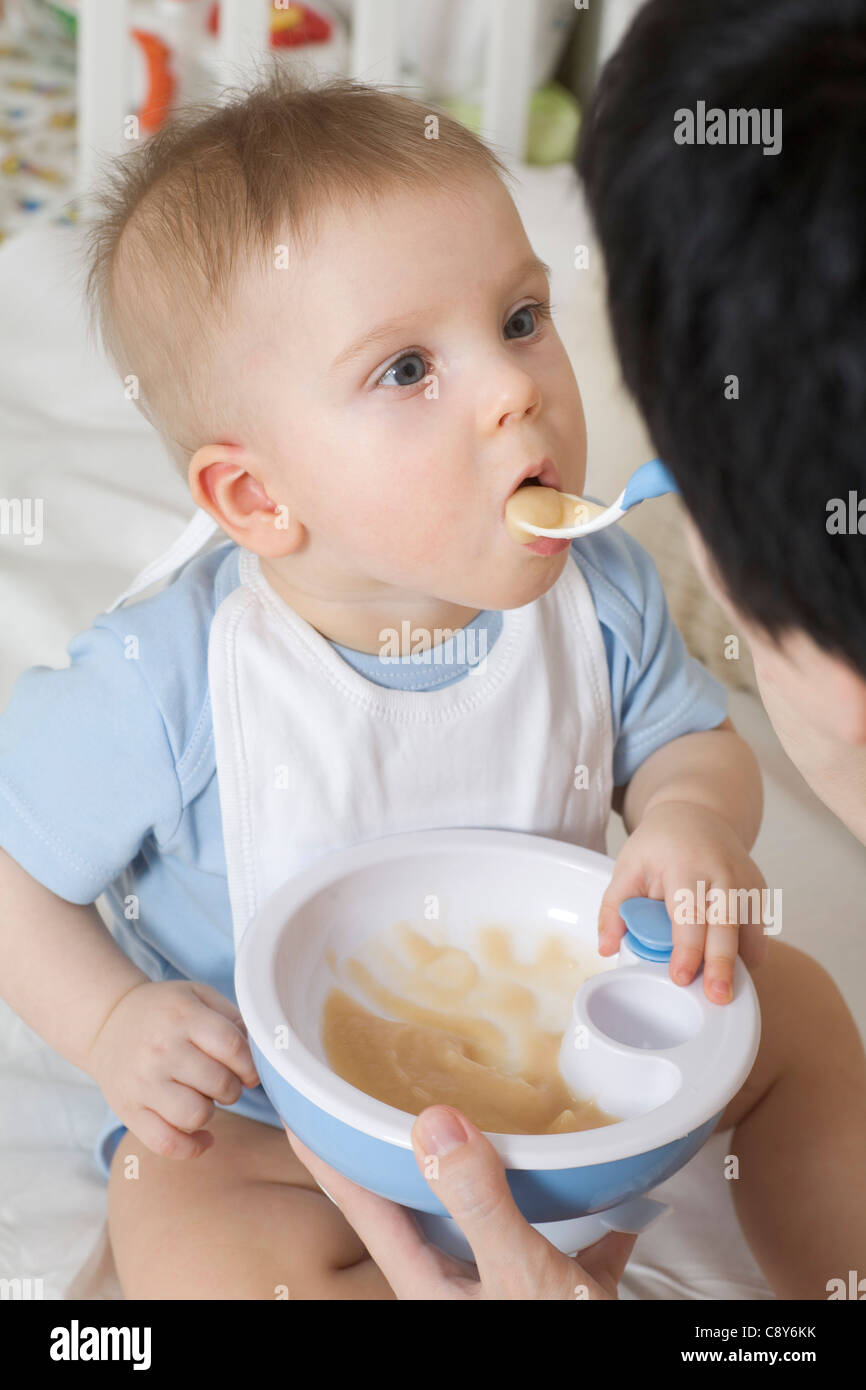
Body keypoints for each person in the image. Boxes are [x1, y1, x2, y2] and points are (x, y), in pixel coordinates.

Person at [0, 63, 860, 1303]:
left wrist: (689, 822)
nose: (516, 387)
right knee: (182, 1222)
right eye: (406, 370)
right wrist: (109, 1025)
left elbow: (689, 742)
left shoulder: (597, 585)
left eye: (518, 319)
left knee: (800, 1016)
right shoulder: (169, 678)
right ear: (257, 496)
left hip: (578, 1041)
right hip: (281, 1125)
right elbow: (16, 867)